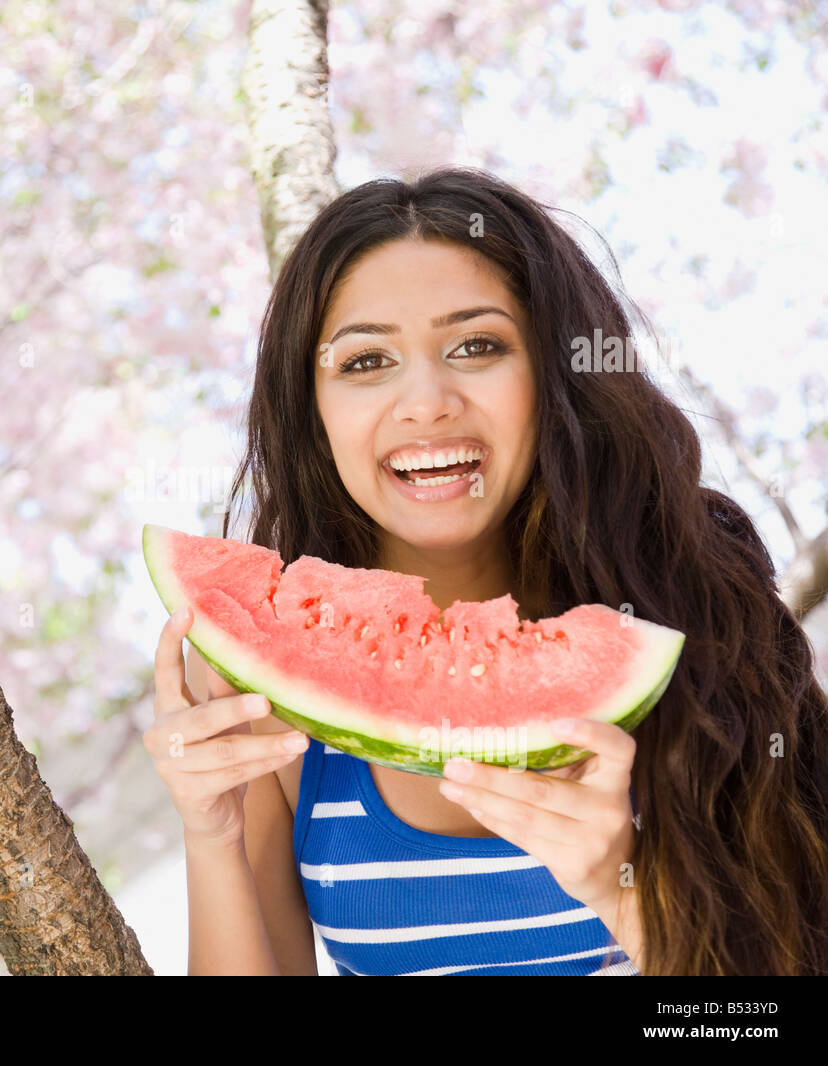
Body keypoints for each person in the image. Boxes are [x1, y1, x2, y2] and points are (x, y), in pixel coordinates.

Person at [145, 166, 828, 976]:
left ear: (555, 375)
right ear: (311, 406)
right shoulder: (255, 690)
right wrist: (210, 834)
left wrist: (627, 896)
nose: (426, 401)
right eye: (365, 362)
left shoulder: (694, 616)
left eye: (477, 346)